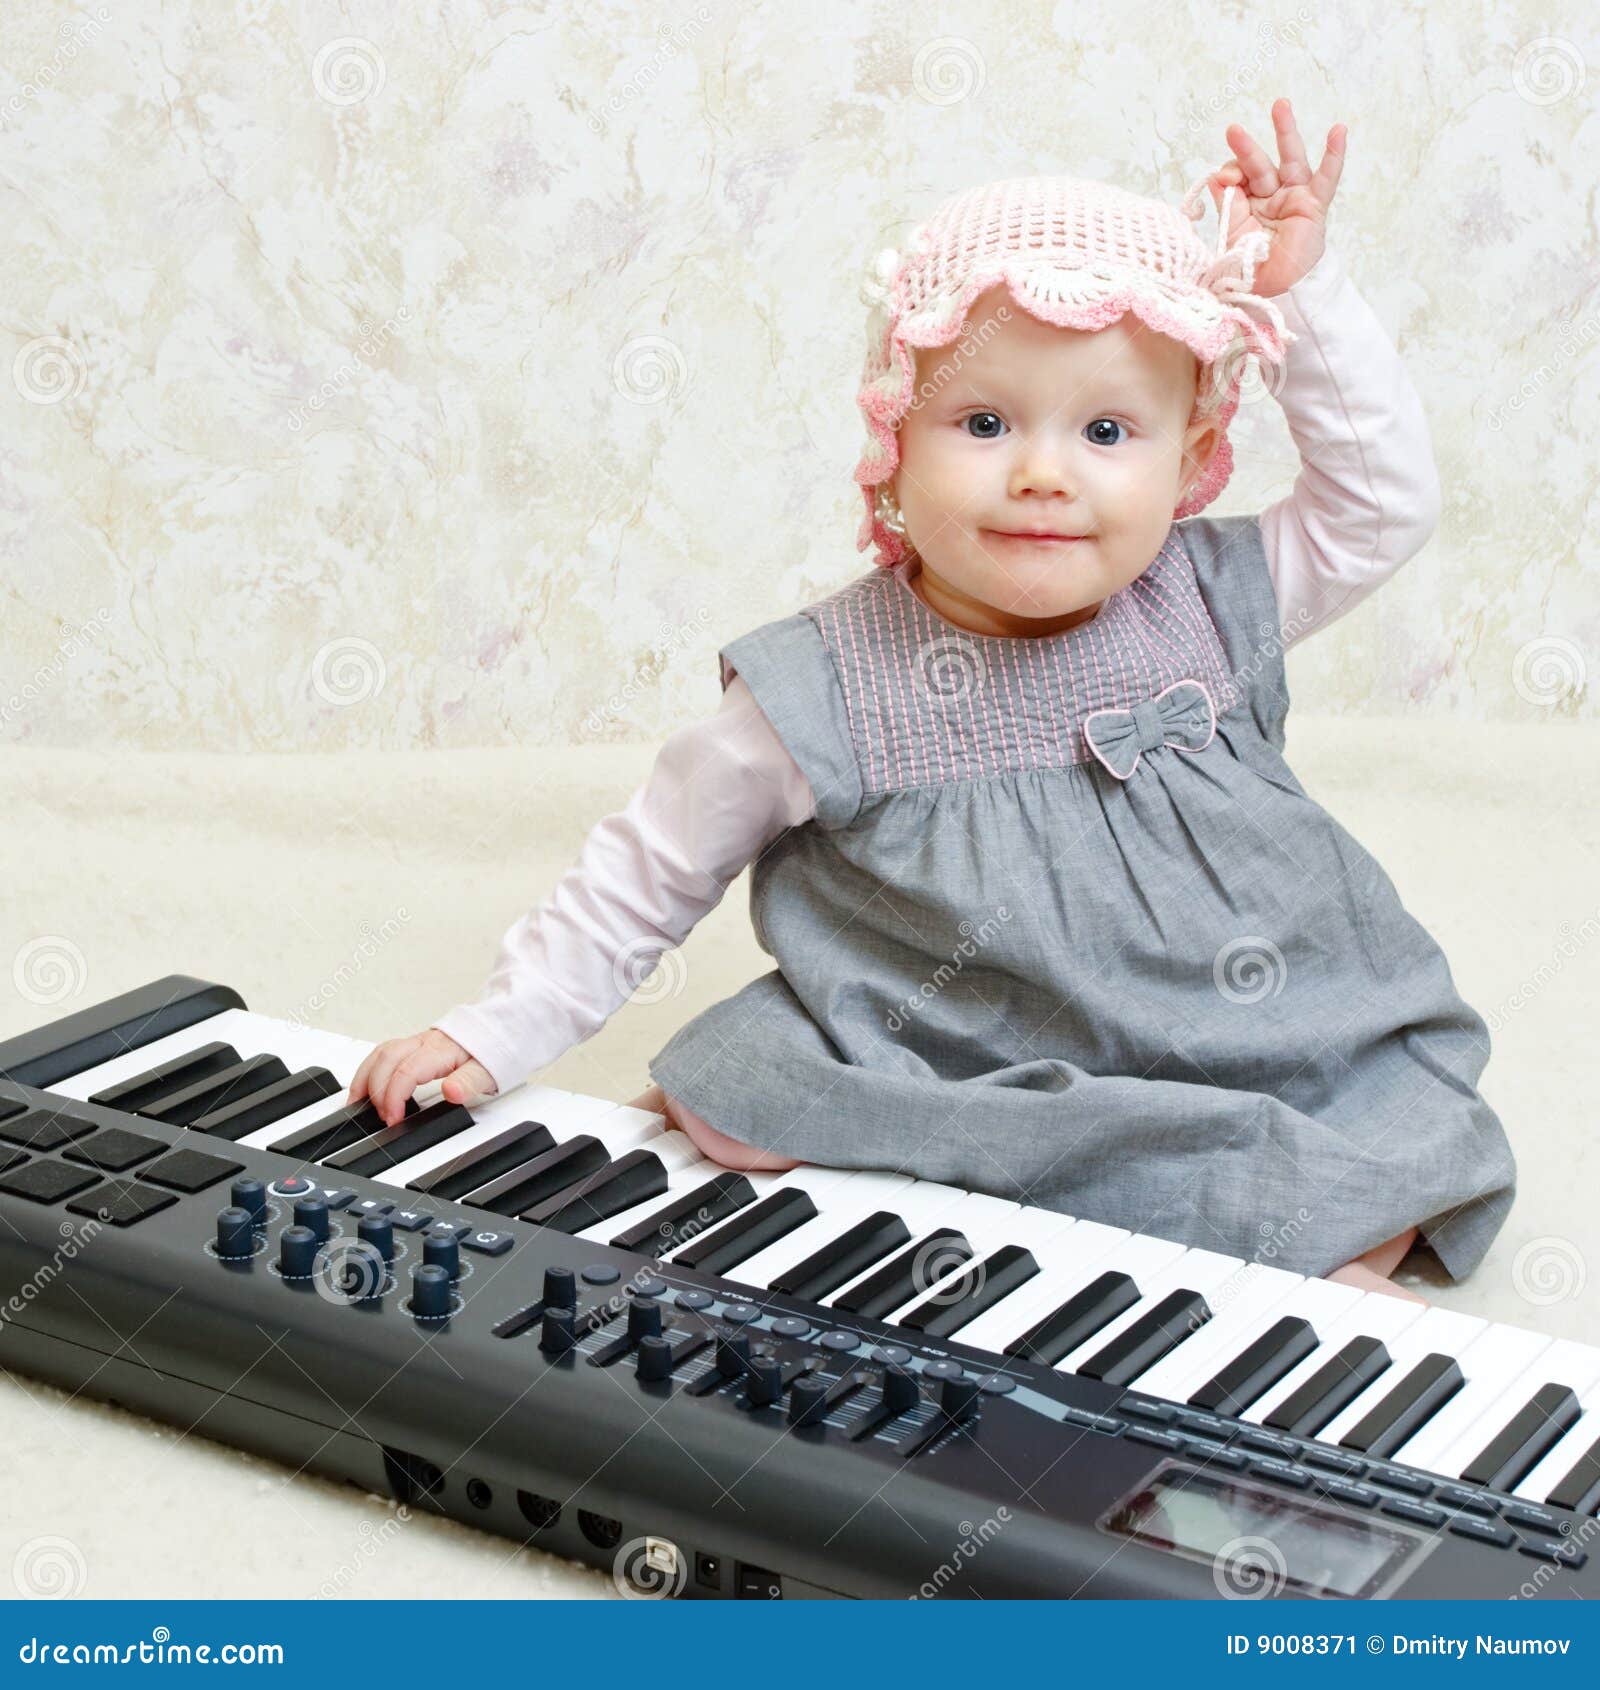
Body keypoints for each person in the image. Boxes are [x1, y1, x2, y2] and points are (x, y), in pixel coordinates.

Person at [350, 100, 1515, 1303]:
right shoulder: (827, 678)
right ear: (891, 444)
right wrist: (495, 1031)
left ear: (1191, 452)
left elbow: (1382, 507)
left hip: (1232, 1031)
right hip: (956, 1041)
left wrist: (1304, 297)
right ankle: (1002, 1195)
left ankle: (1270, 1221)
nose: (1042, 471)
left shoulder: (1218, 596)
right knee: (737, 1101)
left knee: (1338, 1153)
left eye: (1108, 429)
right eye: (982, 420)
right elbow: (648, 870)